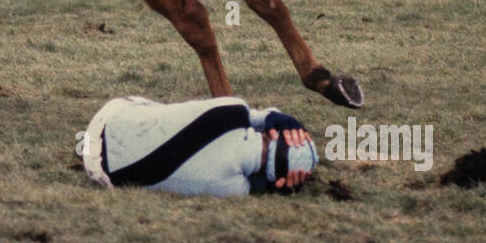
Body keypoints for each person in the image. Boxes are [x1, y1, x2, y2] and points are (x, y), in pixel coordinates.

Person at [82, 96, 317, 196]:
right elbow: (261, 186)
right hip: (101, 172)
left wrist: (289, 122)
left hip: (110, 116)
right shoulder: (234, 188)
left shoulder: (234, 109)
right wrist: (280, 187)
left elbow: (266, 115)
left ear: (270, 134)